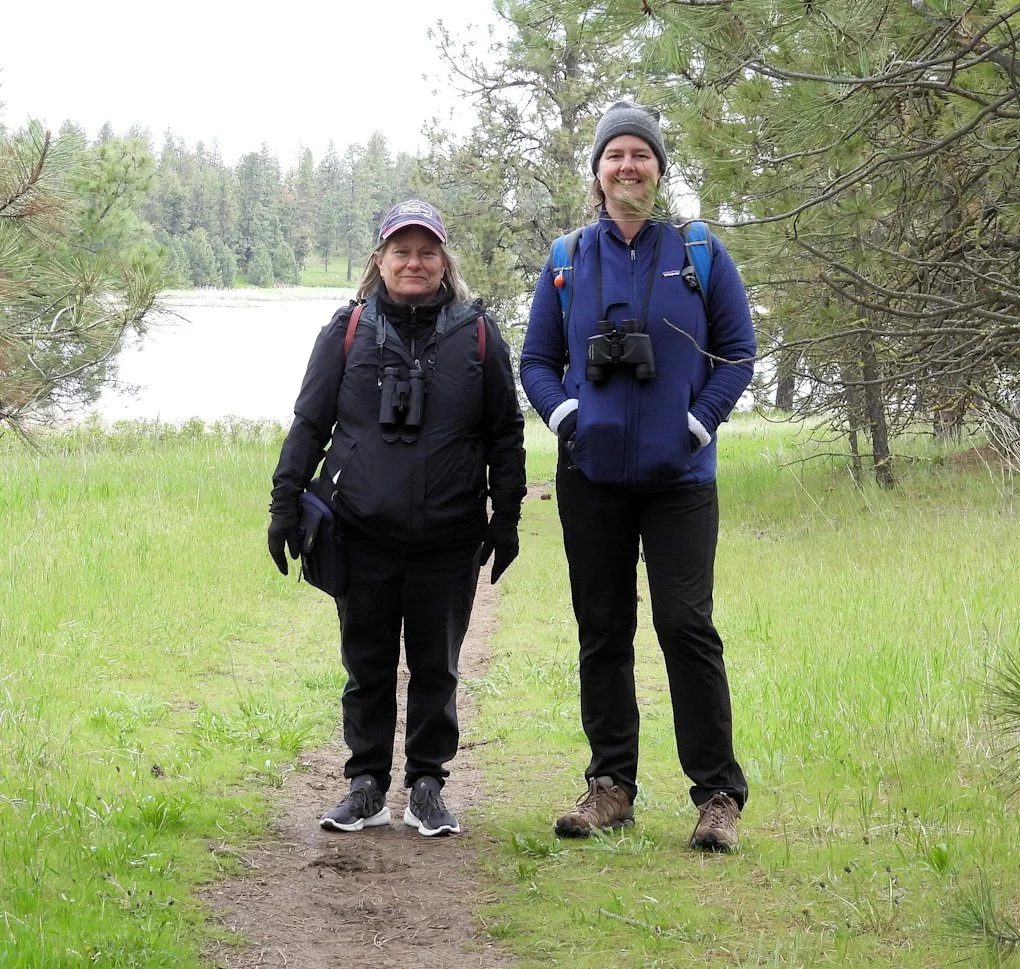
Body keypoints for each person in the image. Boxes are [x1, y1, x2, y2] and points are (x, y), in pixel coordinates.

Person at [519, 102, 756, 850]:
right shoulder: (566, 260)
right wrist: (567, 420)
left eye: (641, 156)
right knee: (603, 626)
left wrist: (695, 422)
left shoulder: (698, 252)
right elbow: (535, 362)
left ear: (658, 170)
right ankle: (610, 787)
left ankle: (717, 794)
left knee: (685, 624)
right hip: (592, 475)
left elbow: (740, 352)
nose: (628, 166)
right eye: (614, 155)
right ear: (597, 171)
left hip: (682, 476)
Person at [269, 199, 526, 837]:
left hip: (449, 534)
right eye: (401, 251)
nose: (415, 262)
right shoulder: (347, 331)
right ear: (378, 261)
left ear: (445, 261)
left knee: (437, 665)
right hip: (360, 533)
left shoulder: (479, 334)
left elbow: (505, 431)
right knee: (368, 664)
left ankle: (428, 786)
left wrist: (508, 515)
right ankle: (365, 786)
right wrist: (283, 504)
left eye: (427, 251)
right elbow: (310, 422)